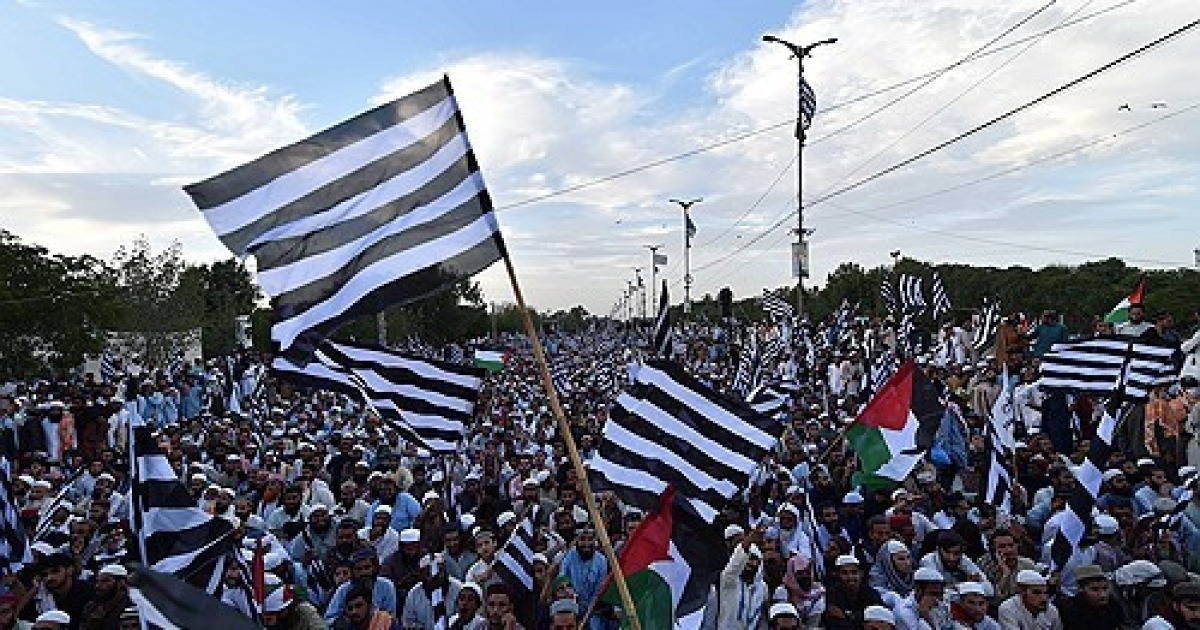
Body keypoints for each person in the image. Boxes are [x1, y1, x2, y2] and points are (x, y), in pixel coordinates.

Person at [823, 555, 884, 630]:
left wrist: (847, 616)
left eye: (854, 572)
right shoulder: (831, 595)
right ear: (837, 575)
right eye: (844, 573)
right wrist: (861, 618)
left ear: (861, 574)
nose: (850, 577)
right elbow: (835, 626)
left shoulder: (871, 594)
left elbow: (879, 622)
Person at [1058, 565, 1119, 630]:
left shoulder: (1113, 605)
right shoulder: (1069, 610)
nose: (1102, 595)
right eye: (1095, 589)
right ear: (1081, 589)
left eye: (1105, 588)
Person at [997, 570, 1062, 630]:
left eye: (1045, 593)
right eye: (1037, 593)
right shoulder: (1008, 609)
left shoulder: (1052, 610)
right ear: (1022, 592)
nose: (1044, 598)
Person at [79, 564, 131, 630]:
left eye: (105, 581)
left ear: (121, 583)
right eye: (97, 581)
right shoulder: (90, 607)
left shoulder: (131, 604)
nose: (97, 586)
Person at [332, 584, 398, 630]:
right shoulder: (346, 627)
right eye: (350, 608)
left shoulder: (386, 623)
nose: (354, 611)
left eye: (359, 606)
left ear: (370, 606)